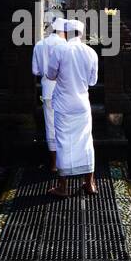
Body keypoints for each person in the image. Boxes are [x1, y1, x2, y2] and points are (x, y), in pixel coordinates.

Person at [45, 17, 99, 196]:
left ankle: (62, 187)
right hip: (82, 104)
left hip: (63, 104)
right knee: (86, 141)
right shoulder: (91, 52)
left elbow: (51, 75)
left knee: (63, 142)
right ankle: (89, 183)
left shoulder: (59, 49)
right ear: (82, 34)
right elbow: (93, 81)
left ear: (66, 33)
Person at [31, 14, 68, 170]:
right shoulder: (66, 46)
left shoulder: (40, 45)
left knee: (51, 126)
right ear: (64, 31)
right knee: (66, 126)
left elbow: (35, 71)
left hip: (48, 90)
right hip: (65, 91)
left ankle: (53, 164)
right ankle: (66, 162)